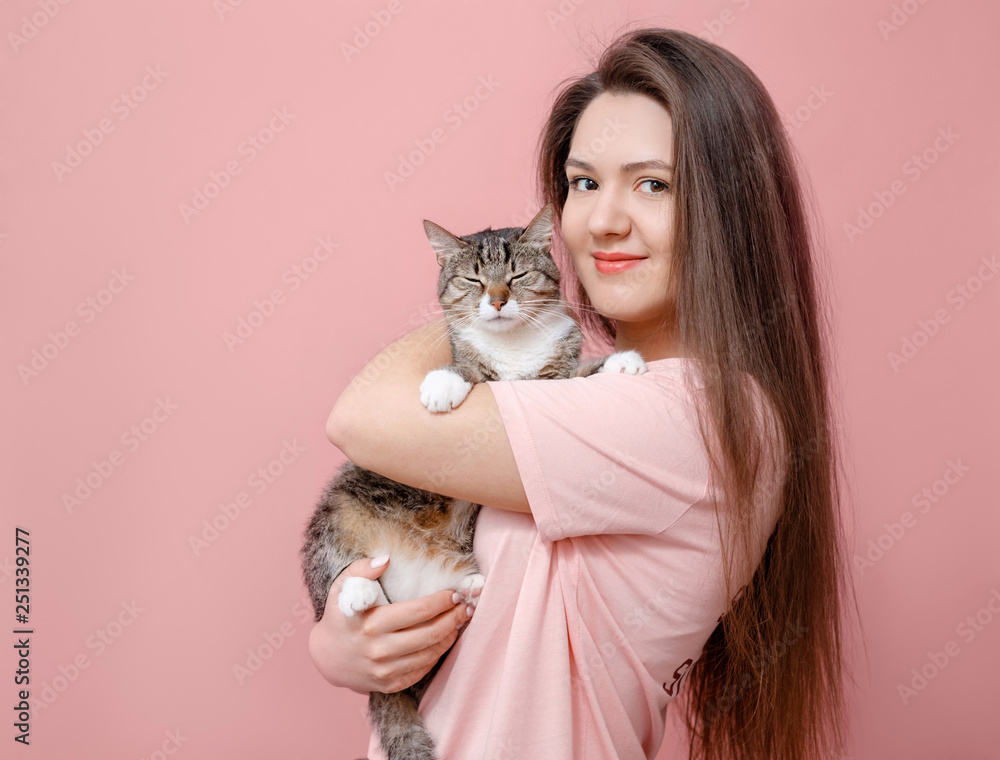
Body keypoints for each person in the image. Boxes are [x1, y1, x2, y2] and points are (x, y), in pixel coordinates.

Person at [309, 27, 852, 760]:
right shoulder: (589, 392)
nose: (601, 221)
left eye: (654, 183)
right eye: (583, 182)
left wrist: (473, 294)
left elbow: (363, 417)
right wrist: (349, 649)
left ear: (729, 212)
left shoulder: (701, 416)